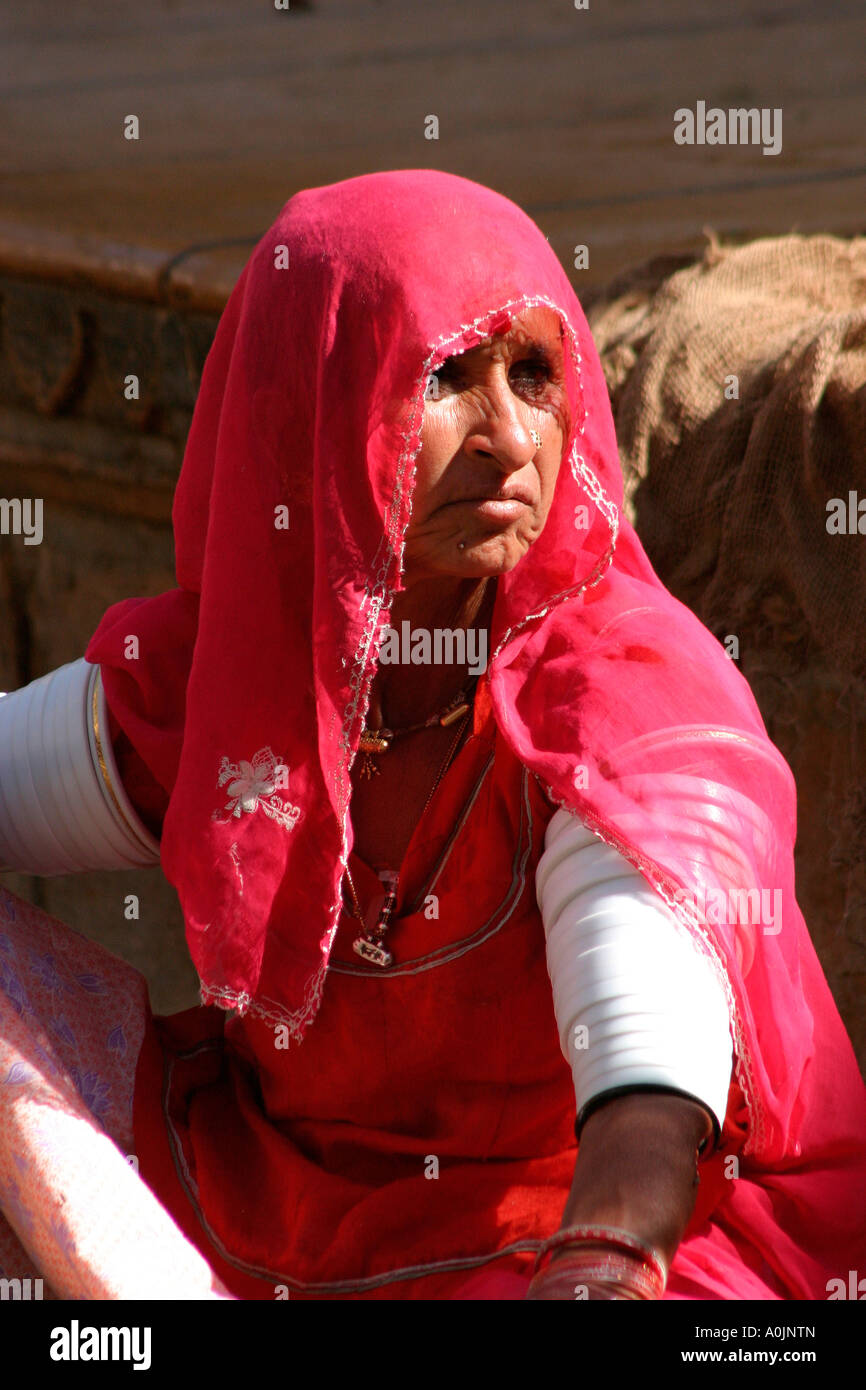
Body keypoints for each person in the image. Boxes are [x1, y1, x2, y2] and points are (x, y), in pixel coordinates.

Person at [0, 169, 864, 1301]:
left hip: (574, 1225)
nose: (507, 437)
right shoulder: (229, 669)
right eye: (444, 377)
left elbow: (649, 1064)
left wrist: (600, 1268)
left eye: (535, 376)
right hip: (268, 1203)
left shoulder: (623, 693)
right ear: (309, 413)